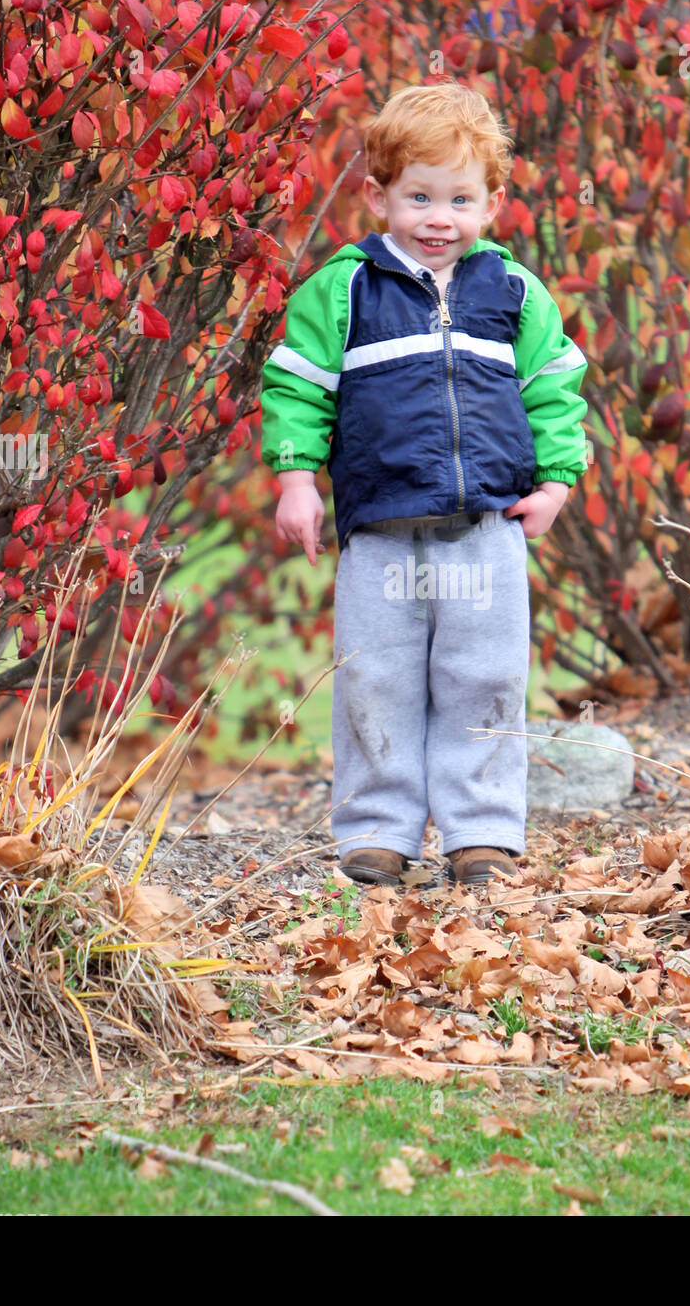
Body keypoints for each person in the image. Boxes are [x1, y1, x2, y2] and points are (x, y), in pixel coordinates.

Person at [258, 81, 588, 887]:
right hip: (380, 528)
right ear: (377, 196)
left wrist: (557, 482)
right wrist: (296, 479)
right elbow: (296, 386)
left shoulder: (512, 292)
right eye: (418, 196)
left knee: (488, 674)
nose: (439, 216)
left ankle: (482, 833)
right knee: (375, 676)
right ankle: (378, 830)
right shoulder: (345, 290)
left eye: (461, 198)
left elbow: (554, 386)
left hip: (486, 528)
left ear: (493, 203)